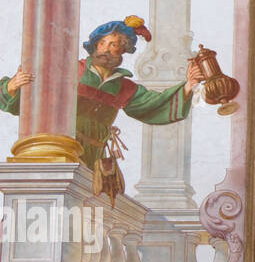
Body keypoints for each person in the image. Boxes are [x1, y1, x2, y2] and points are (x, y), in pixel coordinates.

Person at [0, 16, 203, 204]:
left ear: (123, 49)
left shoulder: (124, 86)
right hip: (62, 146)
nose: (105, 49)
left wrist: (188, 85)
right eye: (102, 43)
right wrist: (12, 86)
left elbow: (153, 104)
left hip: (94, 156)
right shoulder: (71, 70)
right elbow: (36, 95)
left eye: (113, 44)